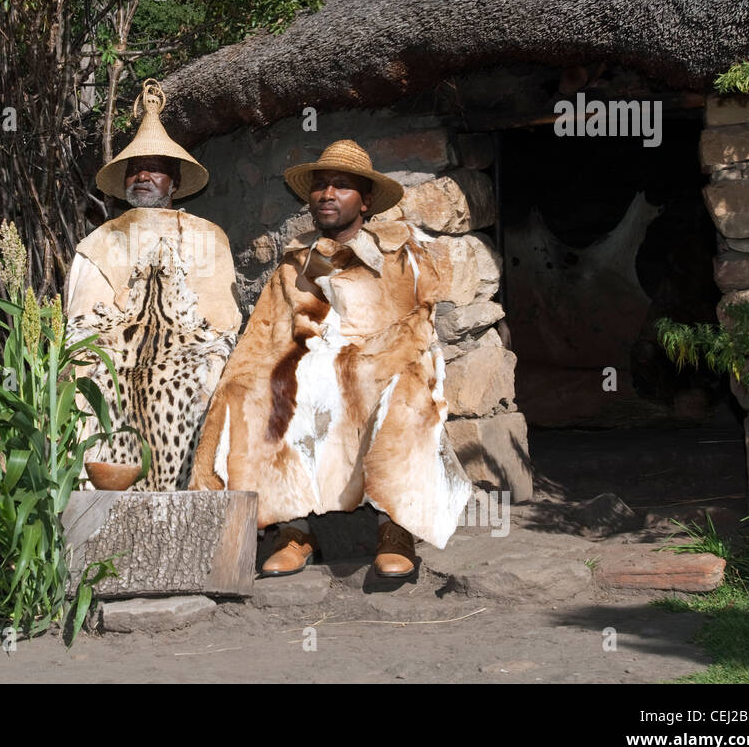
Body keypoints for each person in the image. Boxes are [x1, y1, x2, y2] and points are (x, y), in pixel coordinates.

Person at [189, 139, 473, 577]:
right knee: (251, 391)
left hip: (381, 361)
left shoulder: (399, 252)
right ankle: (294, 529)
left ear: (367, 201)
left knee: (404, 389)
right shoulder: (295, 262)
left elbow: (419, 322)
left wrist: (371, 360)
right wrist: (255, 375)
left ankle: (396, 527)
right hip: (308, 364)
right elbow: (266, 331)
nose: (327, 195)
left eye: (342, 186)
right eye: (321, 186)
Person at [66, 80, 241, 491]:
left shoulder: (207, 236)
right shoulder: (100, 241)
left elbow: (222, 320)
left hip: (185, 359)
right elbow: (81, 321)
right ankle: (98, 497)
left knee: (215, 375)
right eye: (135, 168)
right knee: (80, 378)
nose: (143, 175)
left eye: (155, 169)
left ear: (174, 184)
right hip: (113, 360)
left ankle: (194, 492)